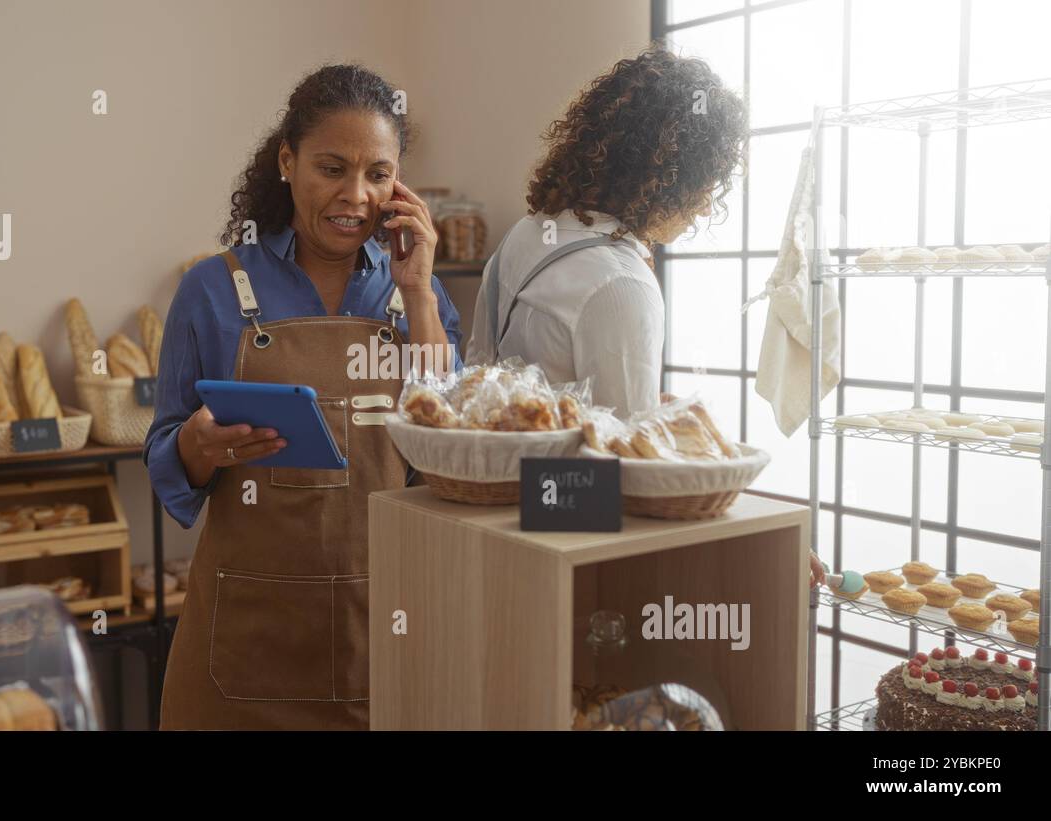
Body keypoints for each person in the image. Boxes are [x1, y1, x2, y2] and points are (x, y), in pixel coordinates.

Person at [145, 64, 463, 730]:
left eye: (378, 174)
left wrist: (418, 293)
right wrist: (196, 445)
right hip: (246, 640)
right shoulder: (212, 290)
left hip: (384, 625)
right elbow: (165, 456)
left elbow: (453, 448)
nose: (356, 195)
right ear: (287, 162)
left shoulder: (414, 297)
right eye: (331, 168)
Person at [466, 46, 747, 419]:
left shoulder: (525, 233)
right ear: (666, 179)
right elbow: (628, 455)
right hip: (570, 479)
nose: (708, 205)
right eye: (706, 184)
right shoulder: (622, 283)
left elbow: (475, 380)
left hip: (495, 472)